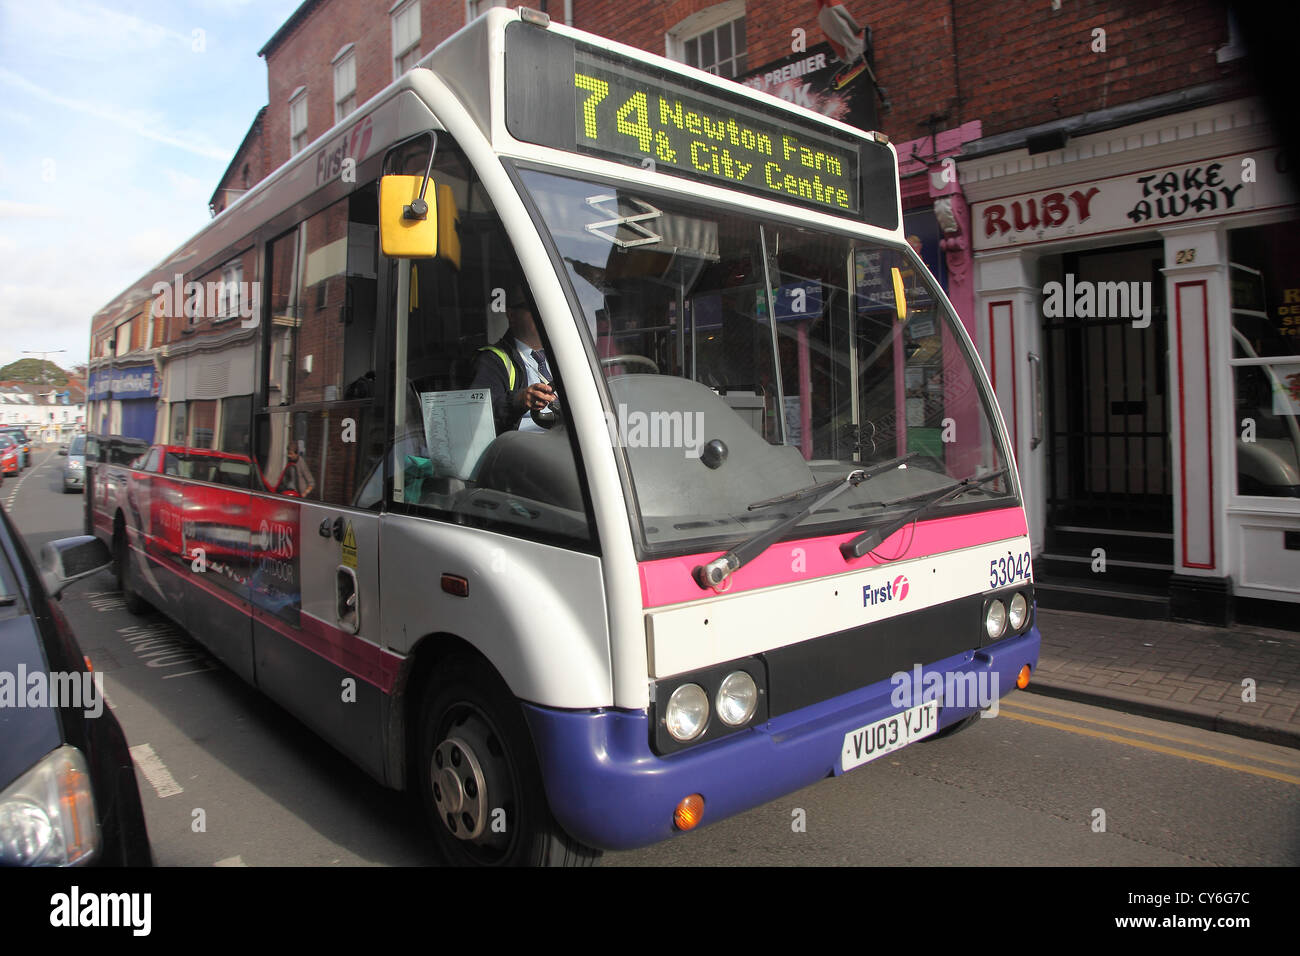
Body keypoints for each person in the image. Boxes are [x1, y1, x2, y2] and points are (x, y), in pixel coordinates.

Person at [471, 288, 558, 434]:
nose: (544, 315)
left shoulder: (564, 356)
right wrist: (519, 401)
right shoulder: (491, 360)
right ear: (511, 315)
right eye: (535, 308)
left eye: (548, 308)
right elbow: (478, 412)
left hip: (567, 438)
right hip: (523, 447)